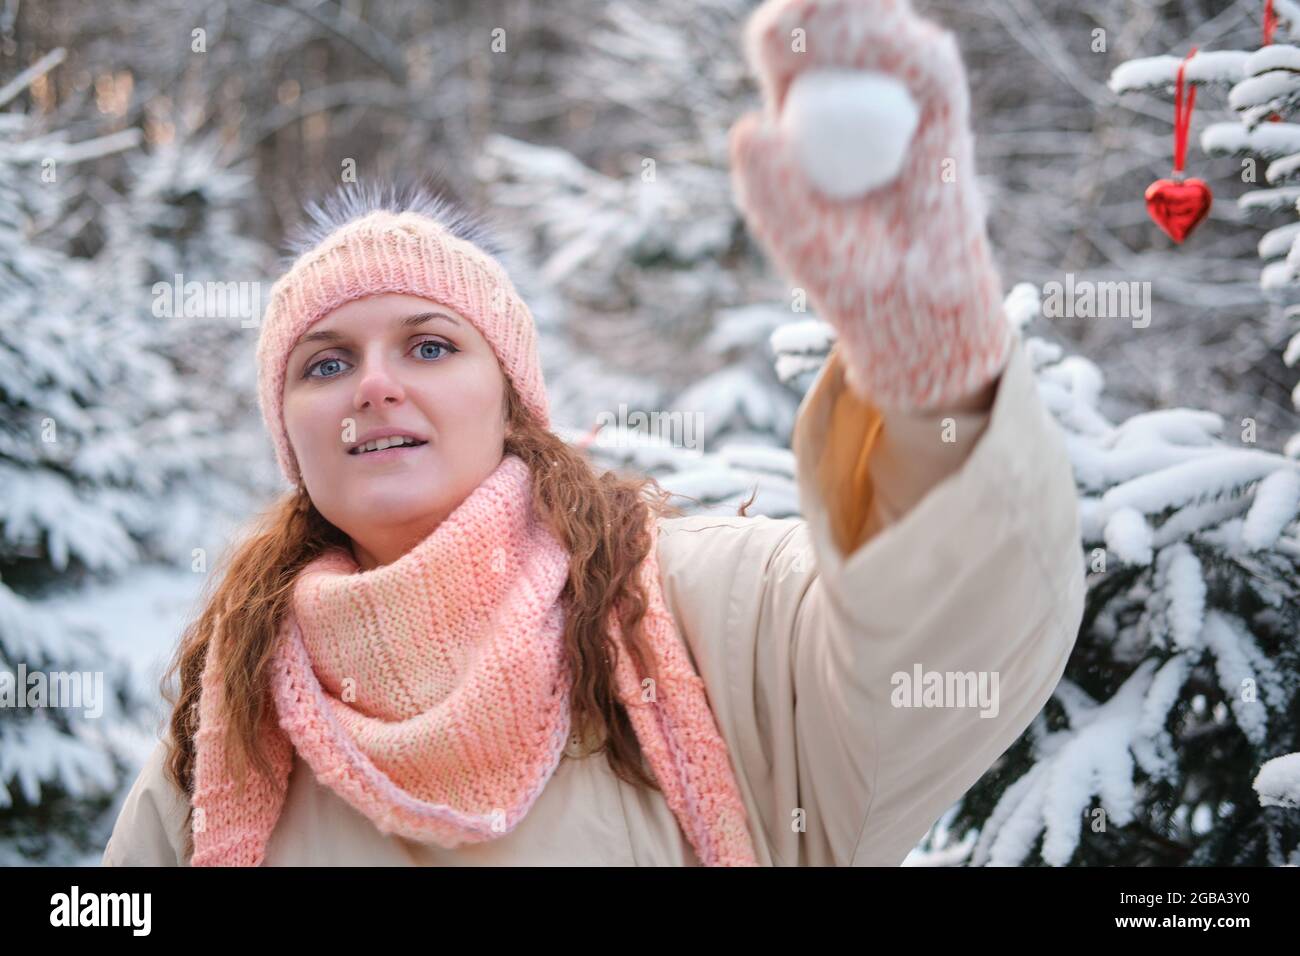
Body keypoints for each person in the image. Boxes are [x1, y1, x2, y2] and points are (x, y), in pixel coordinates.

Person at [101, 0, 1084, 867]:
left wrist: (933, 363)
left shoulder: (701, 620)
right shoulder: (229, 718)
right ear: (289, 433)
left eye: (431, 346)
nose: (375, 385)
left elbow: (947, 631)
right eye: (324, 363)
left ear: (513, 404)